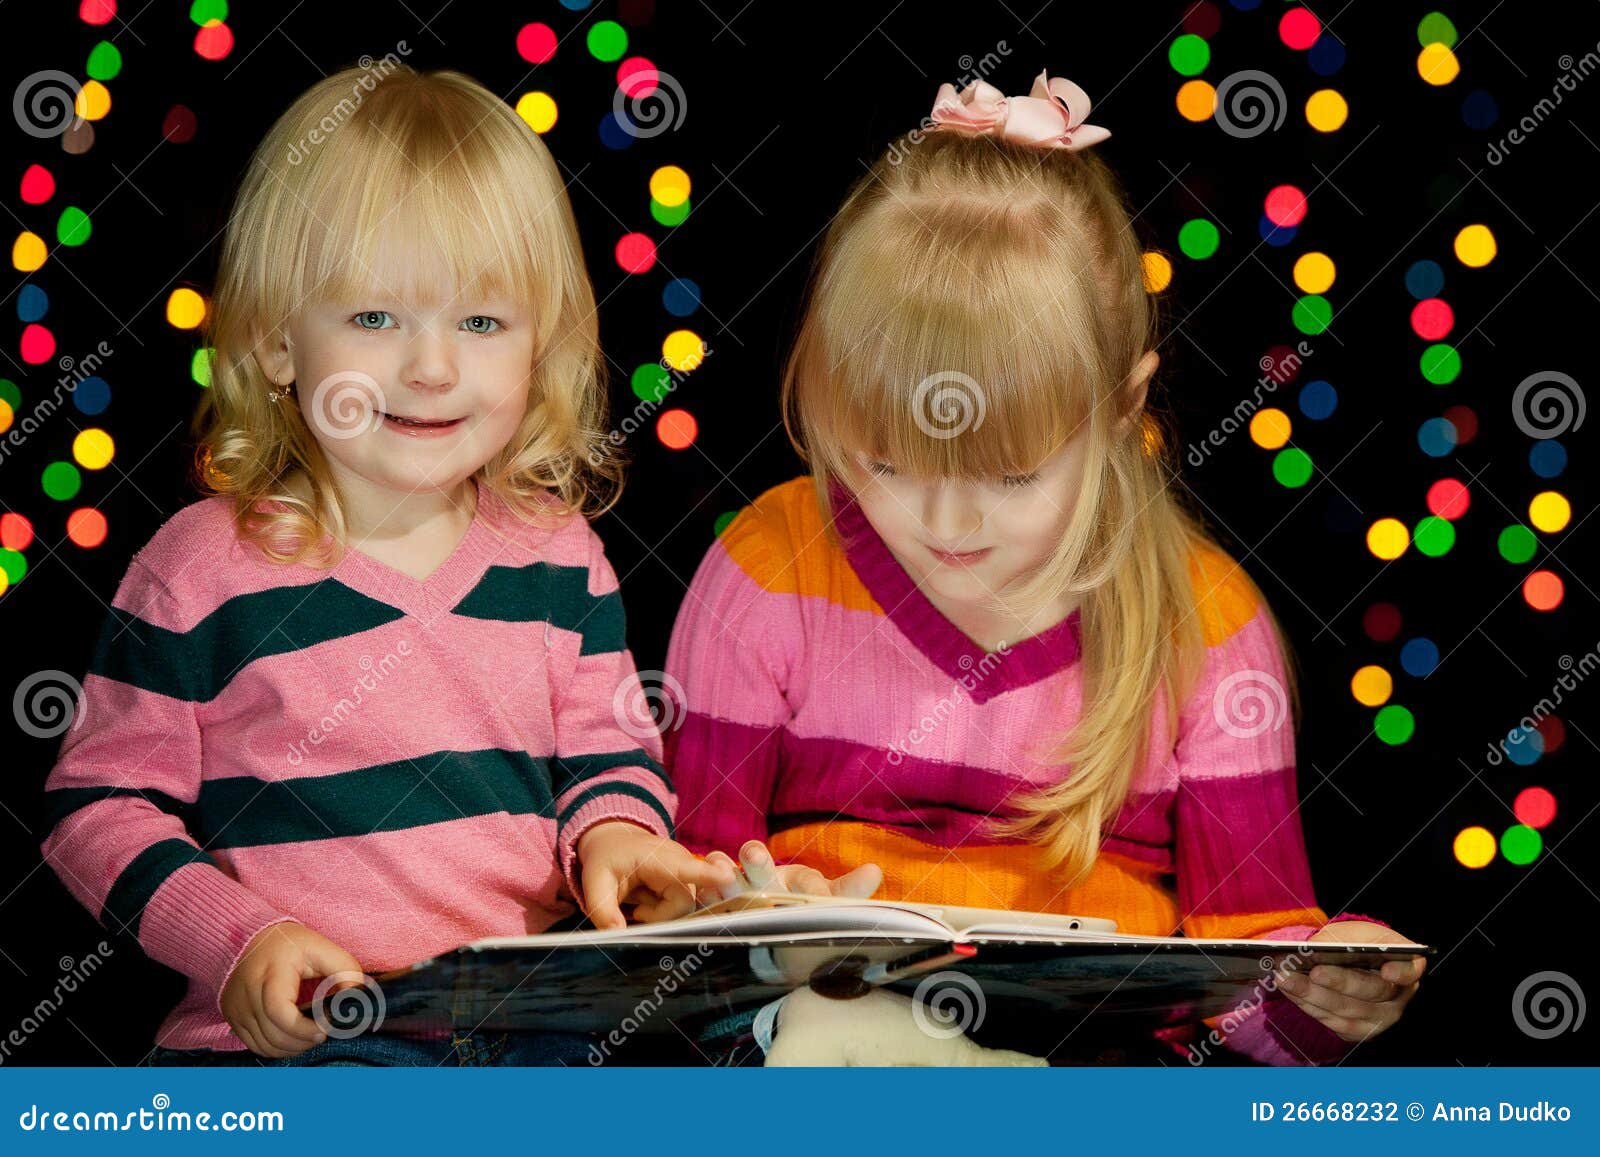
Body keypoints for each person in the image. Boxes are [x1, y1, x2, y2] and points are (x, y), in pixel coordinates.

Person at [664, 71, 1424, 1066]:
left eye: (1011, 474)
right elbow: (669, 938)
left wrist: (1322, 989)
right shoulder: (769, 571)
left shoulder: (1202, 625)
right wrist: (746, 912)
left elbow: (1244, 1003)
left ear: (1121, 408)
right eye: (885, 461)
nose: (941, 519)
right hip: (816, 1036)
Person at [38, 65, 731, 1067]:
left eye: (481, 322)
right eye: (374, 318)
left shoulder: (561, 561)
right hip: (298, 1050)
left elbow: (607, 760)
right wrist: (242, 941)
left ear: (540, 345)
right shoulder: (200, 570)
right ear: (280, 341)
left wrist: (617, 835)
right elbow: (97, 804)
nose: (433, 368)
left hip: (526, 1028)